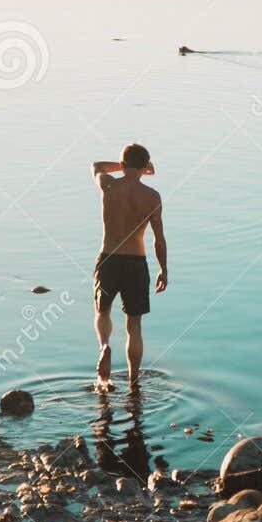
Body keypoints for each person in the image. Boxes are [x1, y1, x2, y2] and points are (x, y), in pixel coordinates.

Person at [90, 142, 167, 388]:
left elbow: (96, 165)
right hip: (136, 261)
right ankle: (134, 381)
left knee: (102, 312)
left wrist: (124, 166)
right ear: (145, 166)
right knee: (134, 325)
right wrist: (163, 270)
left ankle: (104, 346)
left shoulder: (109, 185)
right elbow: (159, 239)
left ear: (123, 165)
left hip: (109, 257)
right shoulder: (152, 197)